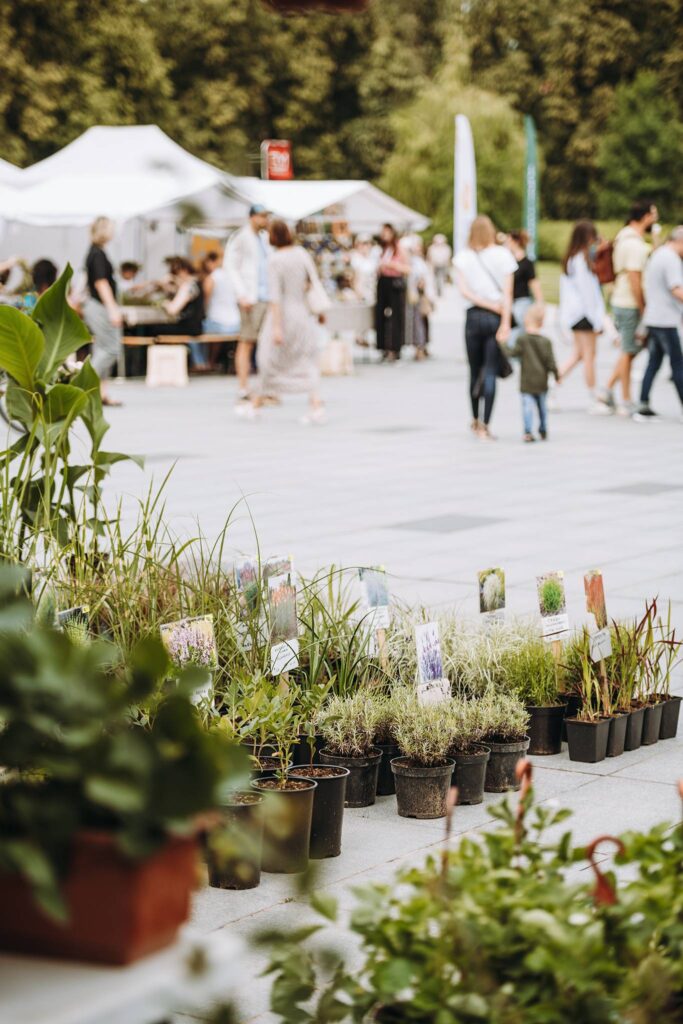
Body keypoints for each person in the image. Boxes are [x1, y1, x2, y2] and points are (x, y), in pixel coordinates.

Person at [252, 219, 327, 425]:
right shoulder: (301, 254)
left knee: (267, 357)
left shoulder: (274, 260)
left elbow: (274, 296)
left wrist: (276, 327)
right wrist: (319, 310)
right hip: (301, 312)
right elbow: (313, 282)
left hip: (282, 314)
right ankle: (315, 403)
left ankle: (258, 402)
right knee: (305, 358)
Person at [453, 214, 516, 441]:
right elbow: (508, 293)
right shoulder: (503, 255)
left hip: (473, 316)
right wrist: (505, 320)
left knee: (474, 370)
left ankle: (474, 419)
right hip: (495, 315)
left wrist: (485, 303)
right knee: (490, 370)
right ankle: (486, 424)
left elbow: (465, 292)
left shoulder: (463, 257)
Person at [597, 201, 658, 416]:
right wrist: (643, 308)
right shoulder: (632, 243)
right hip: (629, 302)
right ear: (644, 217)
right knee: (628, 349)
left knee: (629, 349)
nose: (656, 219)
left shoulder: (626, 236)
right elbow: (635, 278)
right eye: (653, 214)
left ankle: (607, 389)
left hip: (621, 300)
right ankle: (624, 398)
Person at [633, 226, 683, 421]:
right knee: (678, 363)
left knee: (654, 362)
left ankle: (643, 403)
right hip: (665, 319)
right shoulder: (670, 258)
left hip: (655, 317)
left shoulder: (659, 254)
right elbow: (676, 289)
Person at [226, 204, 270, 413]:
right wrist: (241, 293)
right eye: (262, 216)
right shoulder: (242, 237)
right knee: (247, 340)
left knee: (263, 342)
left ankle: (263, 386)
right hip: (250, 298)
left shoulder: (263, 238)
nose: (265, 220)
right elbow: (231, 265)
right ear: (252, 217)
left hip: (263, 296)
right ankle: (243, 386)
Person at [558, 220, 606, 411]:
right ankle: (593, 396)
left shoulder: (572, 259)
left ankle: (552, 384)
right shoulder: (581, 260)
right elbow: (588, 294)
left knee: (578, 355)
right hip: (585, 314)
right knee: (588, 356)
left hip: (576, 313)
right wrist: (597, 320)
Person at [82, 217, 123, 406]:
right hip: (100, 306)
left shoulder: (96, 252)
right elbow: (101, 283)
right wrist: (113, 309)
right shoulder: (97, 254)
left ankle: (101, 393)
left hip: (96, 305)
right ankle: (82, 384)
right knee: (111, 348)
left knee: (102, 348)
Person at [506, 303, 558, 442]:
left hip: (527, 382)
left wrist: (502, 343)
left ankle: (528, 431)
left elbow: (512, 353)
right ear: (542, 322)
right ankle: (543, 429)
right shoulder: (546, 341)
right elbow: (551, 362)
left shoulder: (522, 340)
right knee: (542, 408)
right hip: (542, 382)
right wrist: (557, 375)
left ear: (525, 320)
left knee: (527, 407)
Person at [161, 257, 207, 370]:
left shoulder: (188, 286)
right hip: (197, 326)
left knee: (154, 330)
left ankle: (168, 366)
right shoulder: (196, 283)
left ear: (183, 271)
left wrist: (165, 304)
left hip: (188, 327)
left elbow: (173, 309)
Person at [375, 224, 410, 362]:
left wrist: (393, 265)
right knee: (380, 315)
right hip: (383, 281)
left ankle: (395, 348)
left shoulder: (399, 247)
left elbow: (408, 268)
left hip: (395, 282)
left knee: (396, 317)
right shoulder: (383, 249)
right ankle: (383, 346)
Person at [202, 249, 240, 370]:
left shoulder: (211, 278)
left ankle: (208, 362)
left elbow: (206, 300)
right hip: (236, 322)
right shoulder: (235, 277)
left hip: (217, 321)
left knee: (198, 330)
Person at [505, 230, 544, 343]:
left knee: (518, 335)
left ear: (515, 242)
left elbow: (534, 284)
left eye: (508, 241)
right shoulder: (508, 261)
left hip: (521, 302)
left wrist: (540, 303)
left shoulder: (527, 263)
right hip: (510, 302)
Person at [405, 237, 436, 360]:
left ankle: (420, 347)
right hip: (421, 295)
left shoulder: (416, 262)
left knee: (418, 322)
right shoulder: (418, 261)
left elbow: (422, 280)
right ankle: (422, 346)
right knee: (422, 322)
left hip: (418, 296)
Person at [350, 234, 377, 304]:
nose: (365, 246)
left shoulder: (373, 257)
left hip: (373, 291)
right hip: (361, 293)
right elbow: (354, 278)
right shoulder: (355, 257)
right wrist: (358, 294)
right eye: (362, 244)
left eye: (367, 244)